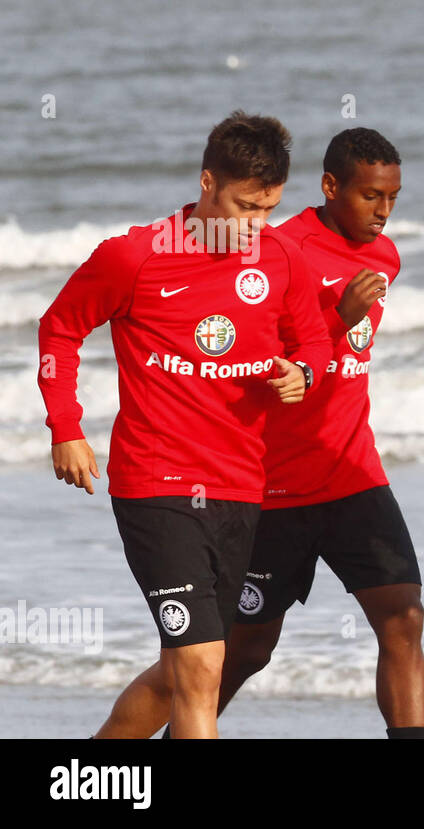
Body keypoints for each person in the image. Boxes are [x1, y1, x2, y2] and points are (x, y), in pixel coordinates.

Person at [37, 111, 332, 738]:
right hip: (156, 482)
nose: (255, 225)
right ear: (206, 182)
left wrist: (302, 373)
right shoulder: (133, 257)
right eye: (244, 206)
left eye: (268, 209)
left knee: (190, 668)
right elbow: (59, 328)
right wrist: (66, 426)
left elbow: (313, 342)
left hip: (239, 484)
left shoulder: (280, 258)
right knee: (200, 668)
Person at [213, 128, 424, 739]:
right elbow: (254, 362)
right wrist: (339, 319)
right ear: (331, 187)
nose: (383, 212)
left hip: (352, 471)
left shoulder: (385, 256)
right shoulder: (281, 251)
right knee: (247, 649)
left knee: (403, 616)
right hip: (276, 487)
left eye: (392, 197)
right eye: (369, 197)